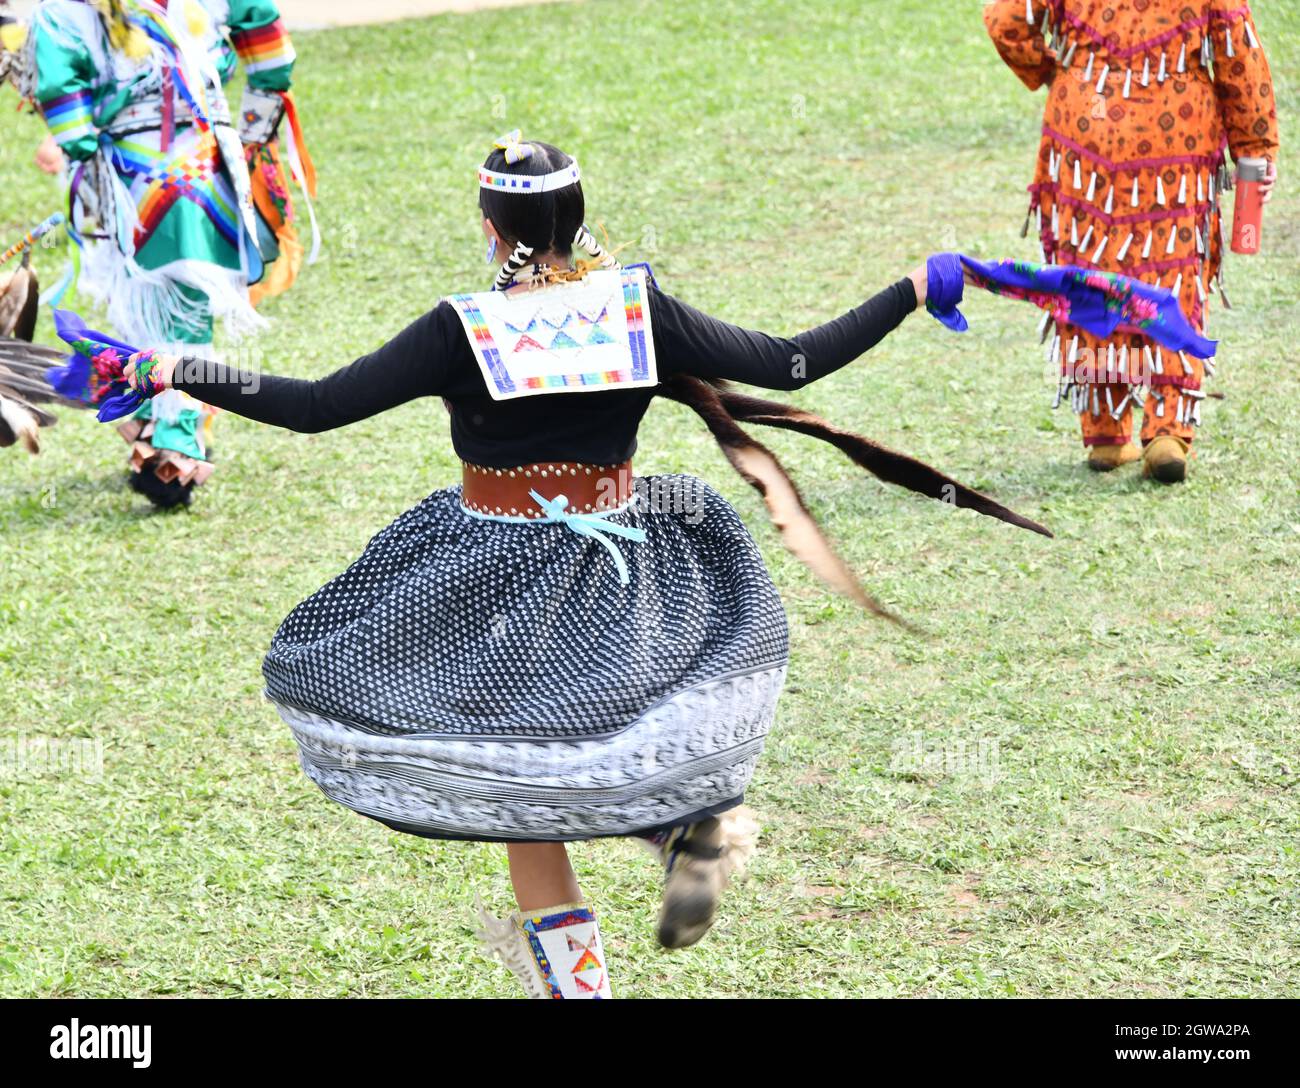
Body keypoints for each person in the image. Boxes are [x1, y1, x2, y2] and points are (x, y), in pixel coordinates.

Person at [109, 132, 1045, 998]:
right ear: (576, 213)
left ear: (490, 226)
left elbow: (314, 405)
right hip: (627, 562)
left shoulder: (461, 328)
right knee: (605, 735)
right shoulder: (638, 307)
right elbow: (795, 364)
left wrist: (175, 369)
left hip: (493, 575)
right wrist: (913, 288)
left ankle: (579, 986)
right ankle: (683, 829)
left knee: (526, 795)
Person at [24, 0, 310, 506]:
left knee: (169, 306)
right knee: (174, 306)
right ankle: (160, 425)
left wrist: (77, 142)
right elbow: (266, 42)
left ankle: (170, 434)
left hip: (140, 176)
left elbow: (61, 94)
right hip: (196, 168)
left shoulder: (64, 13)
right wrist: (254, 123)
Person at [985, 0, 1279, 482]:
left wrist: (1062, 72)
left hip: (1083, 123)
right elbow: (1239, 58)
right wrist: (1256, 147)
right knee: (1174, 272)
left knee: (1090, 267)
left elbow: (1005, 21)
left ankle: (1105, 431)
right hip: (1175, 131)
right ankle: (1167, 430)